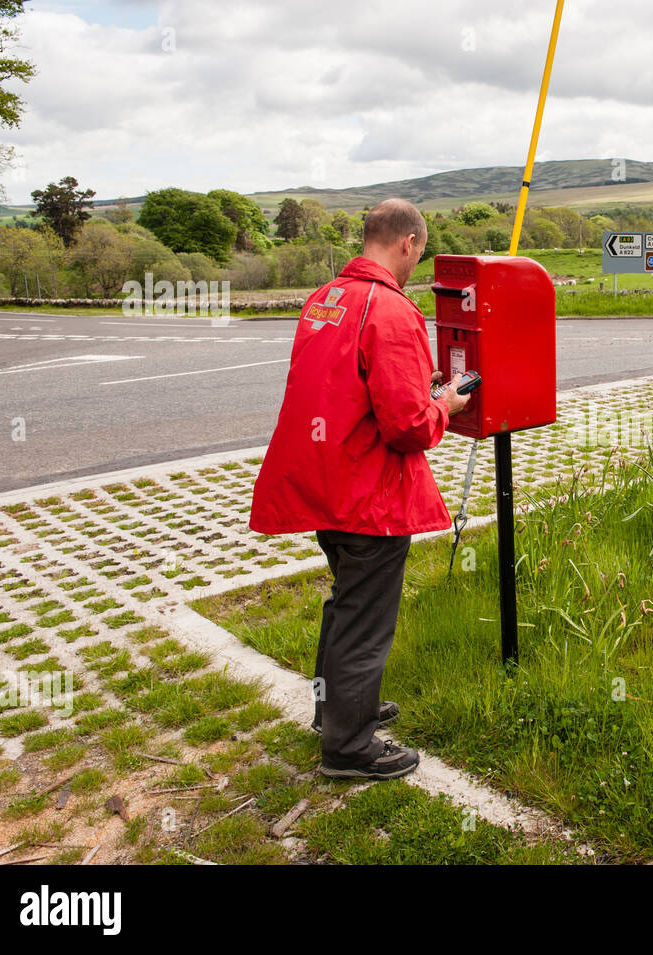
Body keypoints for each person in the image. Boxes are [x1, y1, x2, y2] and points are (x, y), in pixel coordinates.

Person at [249, 198, 469, 780]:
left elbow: (344, 383)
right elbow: (408, 428)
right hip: (367, 492)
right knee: (366, 618)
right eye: (420, 253)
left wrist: (419, 384)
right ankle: (349, 748)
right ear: (409, 245)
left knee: (346, 600)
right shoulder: (392, 311)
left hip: (324, 478)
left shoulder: (325, 298)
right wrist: (444, 403)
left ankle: (339, 708)